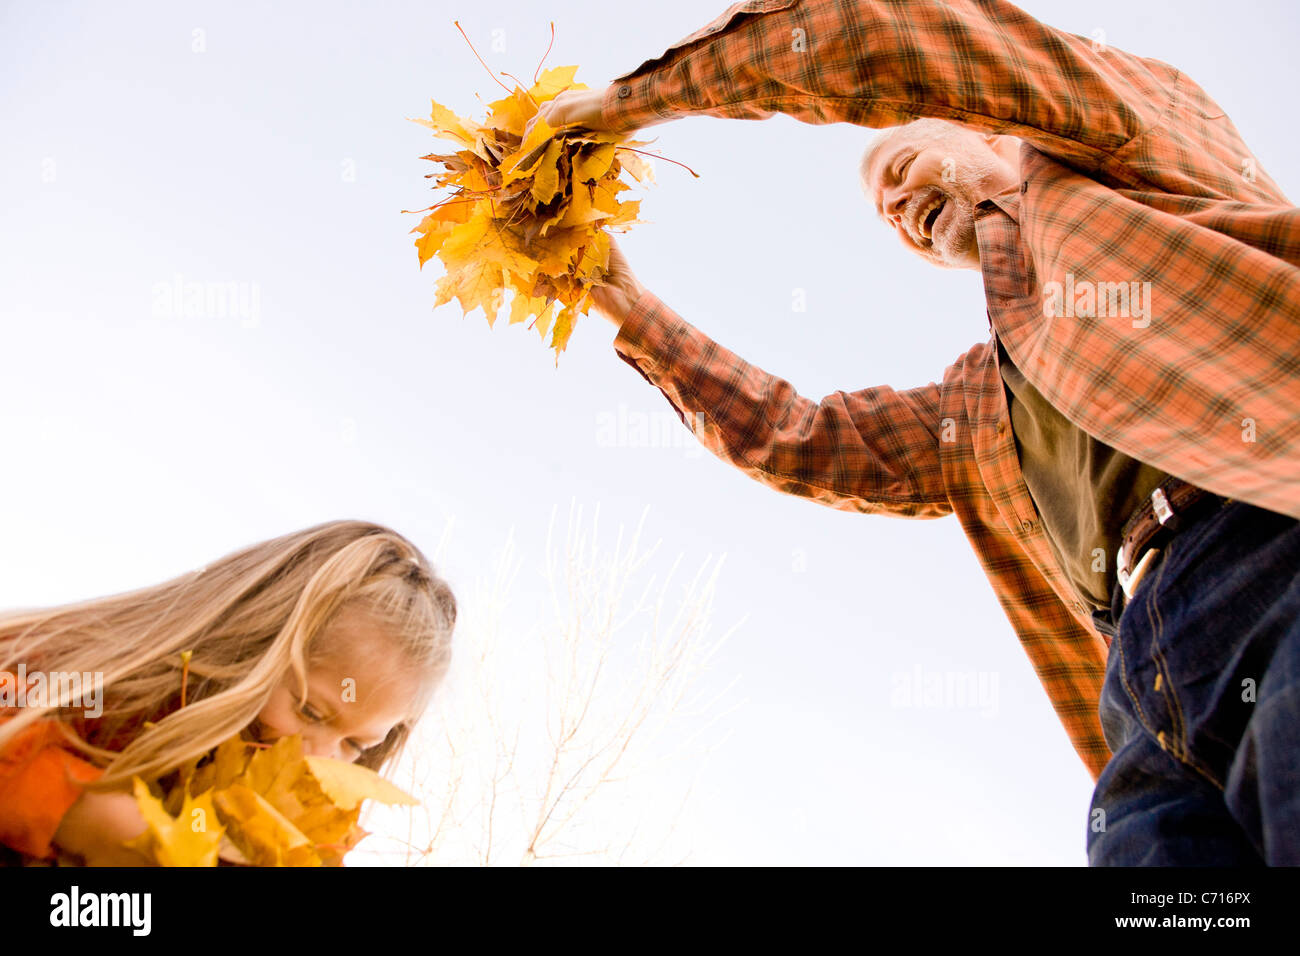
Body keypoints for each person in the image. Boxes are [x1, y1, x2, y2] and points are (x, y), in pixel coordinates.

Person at [530, 0, 1300, 864]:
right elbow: (796, 438)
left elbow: (889, 36)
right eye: (881, 214)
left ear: (987, 132)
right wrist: (613, 292)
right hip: (1140, 710)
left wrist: (618, 108)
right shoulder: (971, 412)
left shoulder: (1126, 140)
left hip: (1268, 550)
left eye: (901, 161)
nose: (894, 204)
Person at [0, 520, 456, 866]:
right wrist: (86, 814)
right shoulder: (119, 686)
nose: (321, 762)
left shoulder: (294, 830)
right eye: (310, 711)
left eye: (356, 745)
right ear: (250, 648)